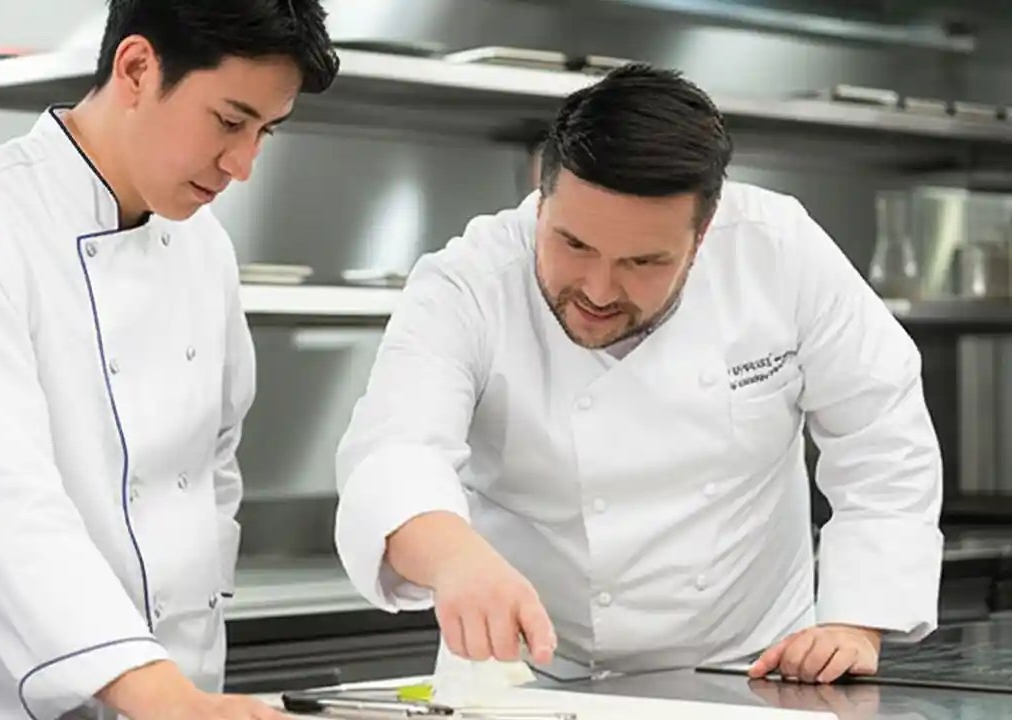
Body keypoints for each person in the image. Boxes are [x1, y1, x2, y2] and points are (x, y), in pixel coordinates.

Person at [334, 64, 942, 687]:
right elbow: (394, 451)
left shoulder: (777, 250)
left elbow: (881, 431)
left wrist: (856, 623)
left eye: (643, 262)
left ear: (703, 234)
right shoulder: (469, 283)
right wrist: (455, 560)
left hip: (753, 674)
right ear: (542, 199)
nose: (598, 290)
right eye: (573, 245)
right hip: (538, 681)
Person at [0, 2, 337, 718]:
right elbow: (2, 501)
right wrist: (159, 695)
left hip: (173, 694)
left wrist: (181, 692)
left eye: (265, 131)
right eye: (229, 121)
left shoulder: (204, 246)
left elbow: (213, 465)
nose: (242, 166)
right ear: (137, 68)